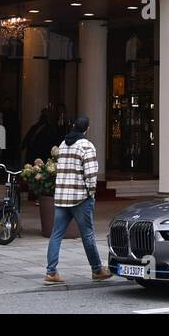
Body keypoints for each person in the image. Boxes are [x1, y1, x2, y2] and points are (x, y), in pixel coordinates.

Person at [44, 115, 112, 284]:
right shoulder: (86, 146)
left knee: (56, 234)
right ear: (86, 129)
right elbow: (91, 174)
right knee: (87, 235)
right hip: (80, 198)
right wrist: (91, 193)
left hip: (62, 197)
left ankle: (51, 272)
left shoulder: (63, 145)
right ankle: (97, 269)